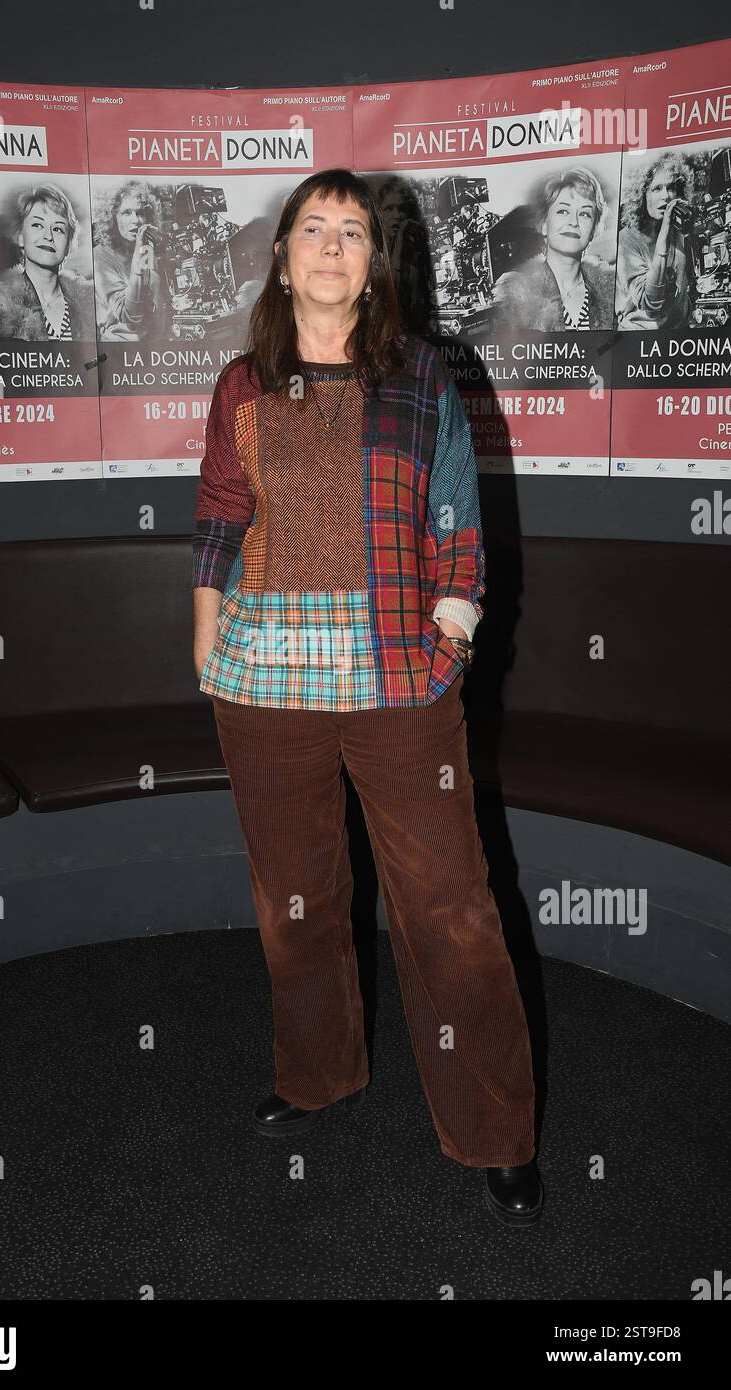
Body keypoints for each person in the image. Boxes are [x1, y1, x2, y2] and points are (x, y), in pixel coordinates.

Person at [191, 168, 543, 1227]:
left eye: (352, 230)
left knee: (450, 909)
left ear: (372, 262)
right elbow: (218, 508)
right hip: (262, 684)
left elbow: (455, 522)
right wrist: (206, 641)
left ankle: (496, 1132)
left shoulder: (422, 374)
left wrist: (451, 636)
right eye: (314, 227)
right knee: (294, 904)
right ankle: (316, 1075)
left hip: (398, 681)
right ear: (283, 255)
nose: (333, 245)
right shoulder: (242, 383)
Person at [492, 167, 615, 331]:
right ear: (544, 225)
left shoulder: (613, 293)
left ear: (594, 229)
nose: (574, 222)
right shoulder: (515, 296)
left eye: (585, 214)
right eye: (563, 211)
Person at [0, 184, 93, 342]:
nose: (48, 236)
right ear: (21, 237)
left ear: (68, 243)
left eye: (58, 229)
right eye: (37, 225)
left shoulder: (89, 304)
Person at [615, 152, 694, 331]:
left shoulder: (679, 231)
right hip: (640, 338)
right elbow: (650, 305)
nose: (666, 196)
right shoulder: (626, 239)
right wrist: (665, 232)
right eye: (657, 188)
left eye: (671, 187)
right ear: (641, 194)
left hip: (680, 332)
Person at [93, 181, 167, 340]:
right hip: (120, 349)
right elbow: (129, 316)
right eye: (126, 213)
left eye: (140, 213)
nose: (135, 220)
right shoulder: (100, 256)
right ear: (111, 217)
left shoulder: (147, 250)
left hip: (154, 346)